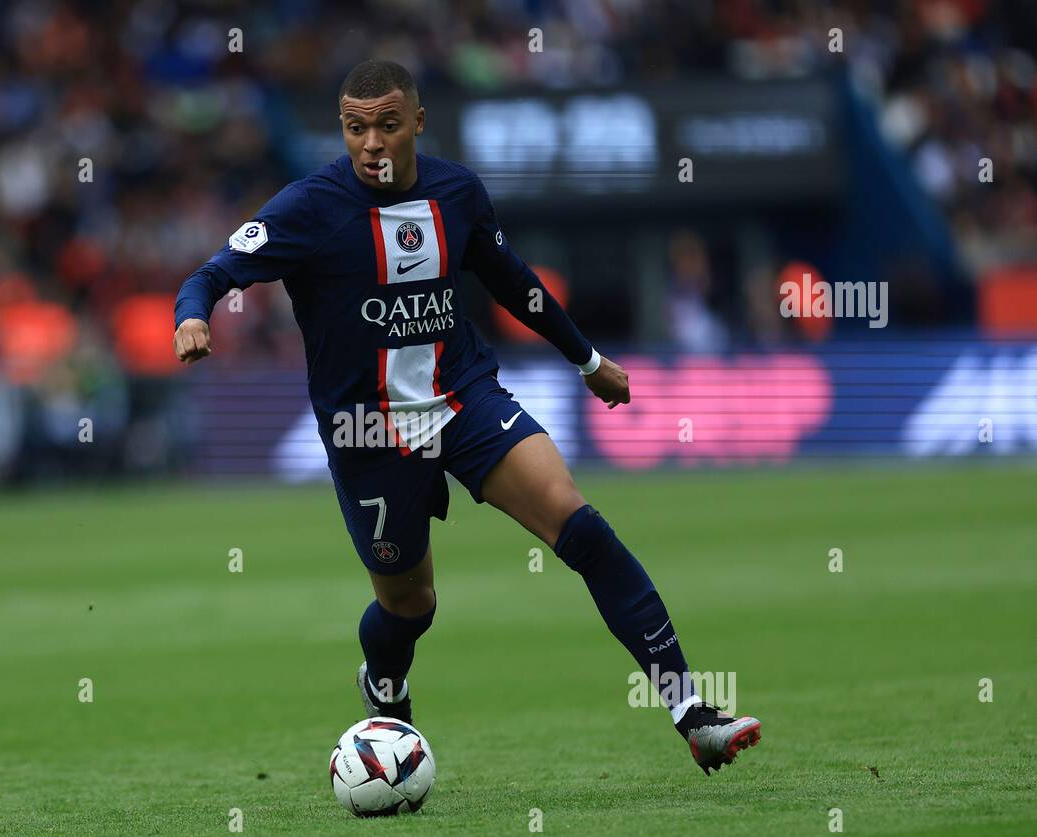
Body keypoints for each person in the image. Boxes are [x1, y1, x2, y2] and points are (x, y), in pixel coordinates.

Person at [174, 60, 760, 774]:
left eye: (388, 125)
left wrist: (587, 360)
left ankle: (692, 712)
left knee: (580, 526)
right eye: (357, 128)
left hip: (464, 400)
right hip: (371, 432)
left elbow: (515, 283)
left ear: (418, 122)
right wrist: (192, 319)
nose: (373, 144)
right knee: (410, 604)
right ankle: (384, 689)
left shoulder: (457, 193)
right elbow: (211, 273)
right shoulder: (306, 208)